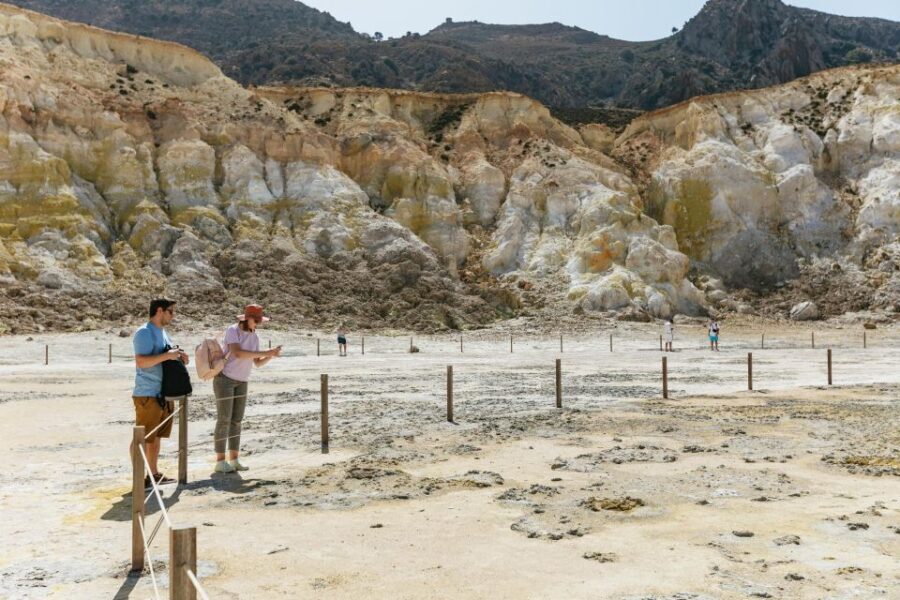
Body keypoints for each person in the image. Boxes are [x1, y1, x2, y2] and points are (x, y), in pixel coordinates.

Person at [213, 304, 281, 474]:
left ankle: (234, 459)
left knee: (236, 420)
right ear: (247, 318)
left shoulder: (255, 336)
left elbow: (257, 362)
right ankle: (220, 461)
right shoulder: (232, 330)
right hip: (225, 380)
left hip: (242, 381)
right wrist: (267, 351)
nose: (257, 324)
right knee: (224, 419)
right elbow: (237, 353)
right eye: (256, 320)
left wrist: (270, 356)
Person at [132, 298, 189, 489]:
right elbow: (141, 362)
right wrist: (167, 356)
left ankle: (153, 474)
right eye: (170, 311)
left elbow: (166, 358)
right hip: (148, 393)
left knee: (155, 438)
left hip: (163, 393)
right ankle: (138, 478)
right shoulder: (144, 332)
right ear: (159, 311)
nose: (173, 316)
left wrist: (180, 358)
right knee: (142, 437)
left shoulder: (163, 333)